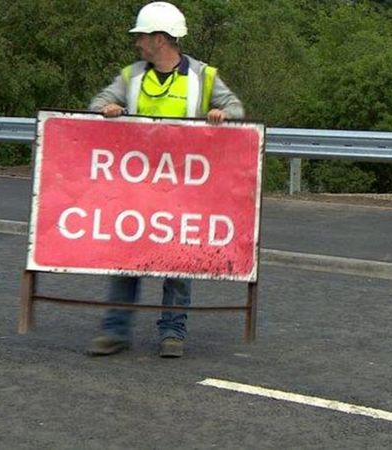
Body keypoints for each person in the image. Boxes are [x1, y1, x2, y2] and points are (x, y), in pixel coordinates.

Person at [87, 1, 244, 358]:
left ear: (159, 39)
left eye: (142, 36)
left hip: (183, 187)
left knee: (178, 260)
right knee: (126, 257)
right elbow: (97, 103)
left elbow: (235, 109)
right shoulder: (132, 77)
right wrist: (108, 110)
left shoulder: (203, 76)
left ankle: (173, 332)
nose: (137, 43)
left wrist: (220, 114)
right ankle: (115, 331)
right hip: (138, 186)